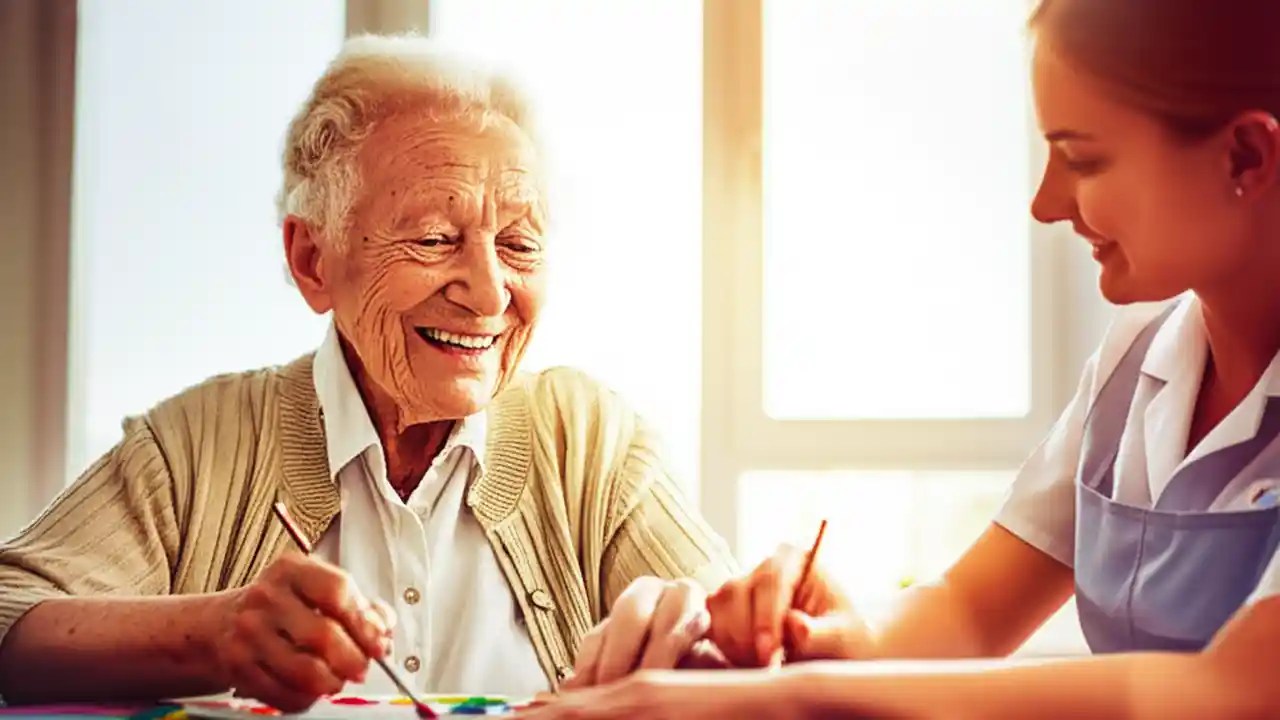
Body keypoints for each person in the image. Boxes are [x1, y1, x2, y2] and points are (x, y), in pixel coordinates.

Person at [523, 0, 1280, 717]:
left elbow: (1235, 691)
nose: (1046, 203)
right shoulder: (1135, 362)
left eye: (1081, 160)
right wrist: (839, 639)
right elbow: (969, 612)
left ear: (1245, 156)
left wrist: (784, 702)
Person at [0, 35, 736, 711]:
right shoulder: (195, 444)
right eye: (434, 237)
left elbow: (739, 649)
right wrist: (219, 631)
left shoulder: (594, 443)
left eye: (517, 243)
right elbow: (10, 611)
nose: (486, 293)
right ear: (312, 260)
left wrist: (714, 643)